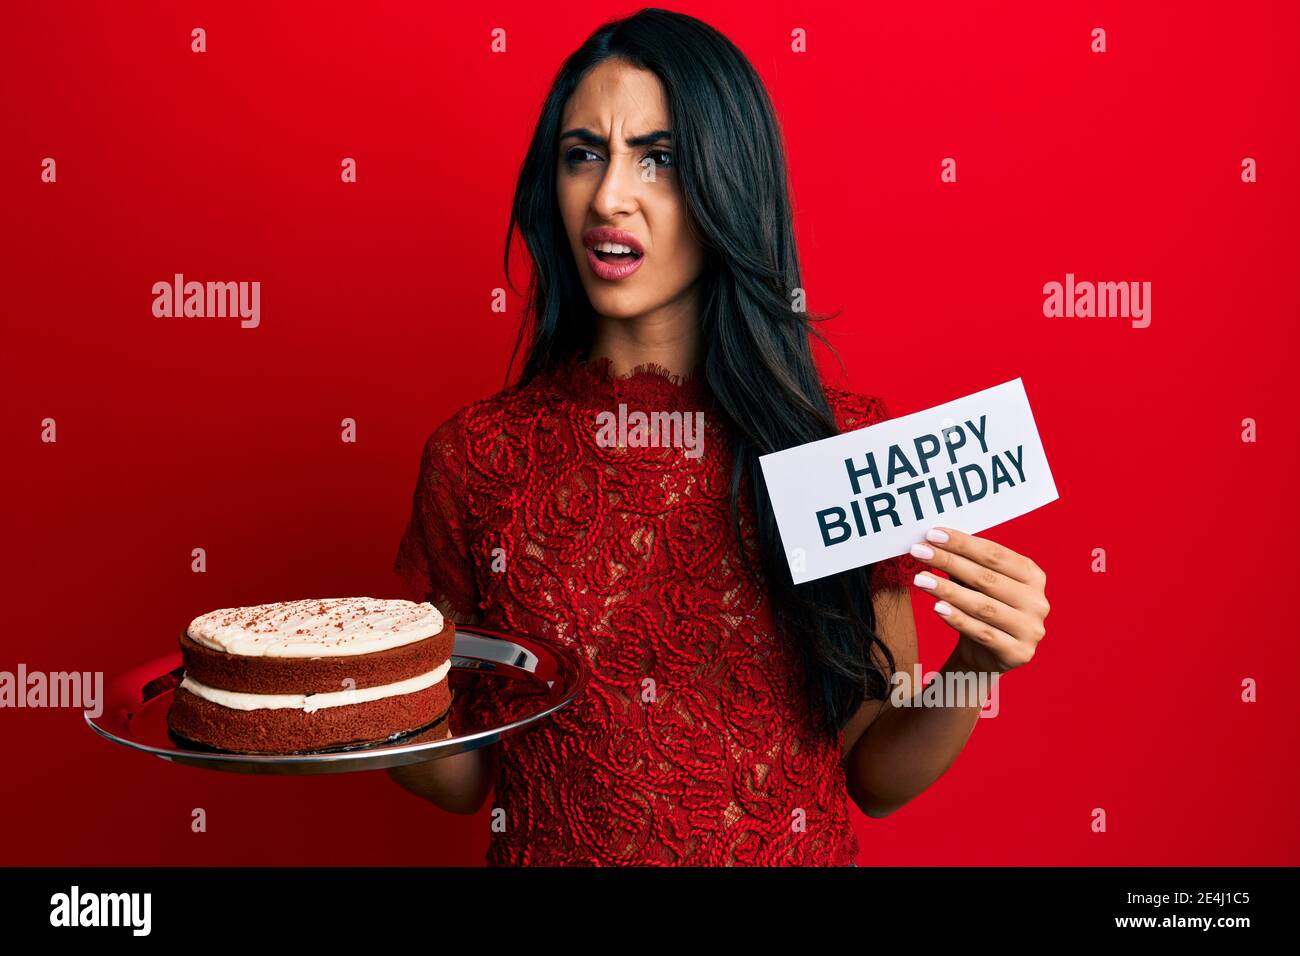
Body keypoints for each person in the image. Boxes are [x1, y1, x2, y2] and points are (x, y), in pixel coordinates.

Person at [387, 7, 1050, 866]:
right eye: (584, 153)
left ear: (728, 182)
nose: (609, 195)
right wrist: (335, 714)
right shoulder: (476, 459)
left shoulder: (837, 448)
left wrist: (979, 663)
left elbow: (875, 771)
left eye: (658, 158)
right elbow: (466, 778)